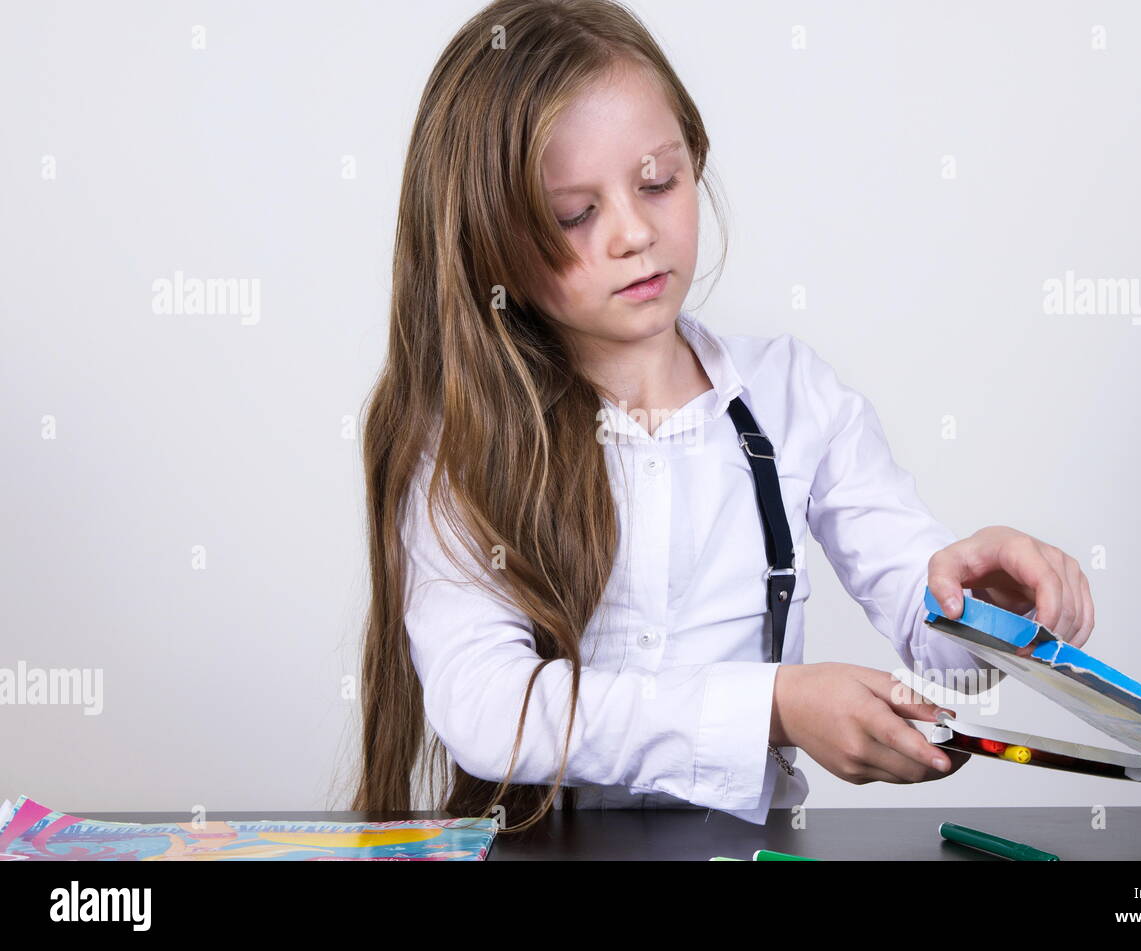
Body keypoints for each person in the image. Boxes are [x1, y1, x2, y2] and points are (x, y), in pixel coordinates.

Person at [351, 0, 1094, 833]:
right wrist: (771, 706)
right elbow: (492, 709)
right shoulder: (463, 443)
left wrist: (988, 613)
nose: (634, 231)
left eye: (658, 181)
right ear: (490, 241)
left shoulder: (794, 399)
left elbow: (941, 653)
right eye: (575, 214)